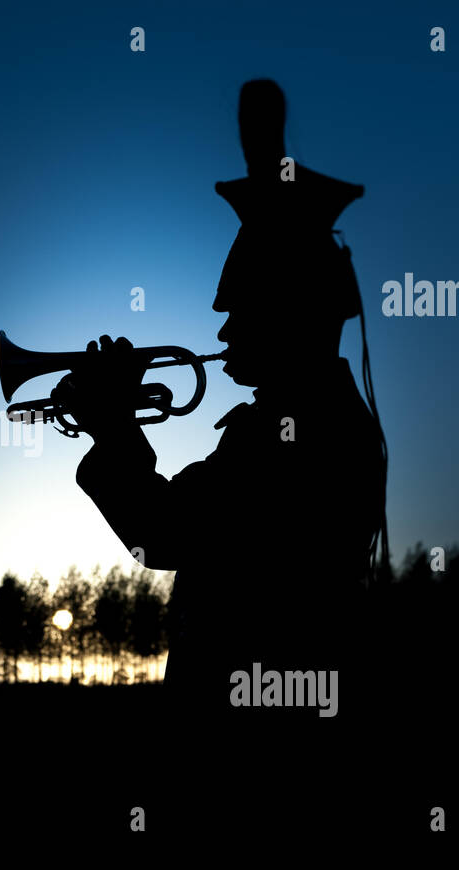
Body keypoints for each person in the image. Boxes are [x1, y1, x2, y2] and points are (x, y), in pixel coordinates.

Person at [54, 80, 386, 687]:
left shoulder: (300, 431)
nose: (226, 331)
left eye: (242, 313)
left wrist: (113, 426)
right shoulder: (295, 419)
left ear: (290, 316)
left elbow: (161, 535)